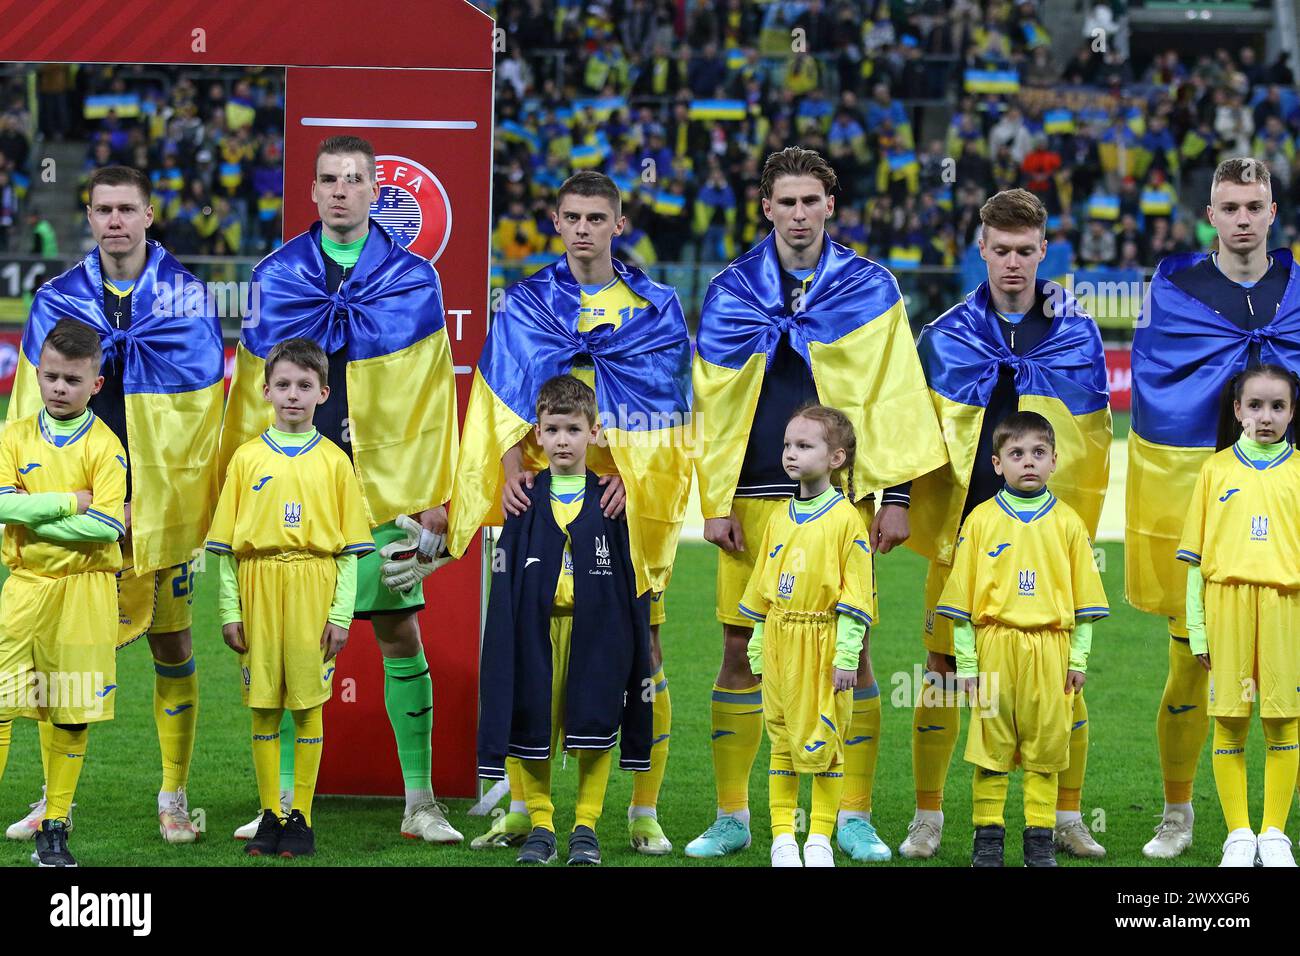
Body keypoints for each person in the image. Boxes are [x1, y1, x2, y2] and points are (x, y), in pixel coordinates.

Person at [689, 145, 946, 861]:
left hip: (843, 504)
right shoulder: (731, 288)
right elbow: (708, 402)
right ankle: (734, 815)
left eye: (811, 201)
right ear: (765, 207)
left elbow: (897, 400)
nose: (799, 215)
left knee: (851, 655)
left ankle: (853, 816)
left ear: (830, 206)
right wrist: (714, 501)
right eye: (786, 202)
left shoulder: (869, 285)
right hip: (751, 501)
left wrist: (895, 496)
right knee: (741, 650)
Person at [221, 135, 462, 844]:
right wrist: (242, 489)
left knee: (397, 630)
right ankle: (282, 802)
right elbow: (248, 389)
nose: (340, 191)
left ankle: (419, 801)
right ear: (314, 189)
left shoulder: (414, 277)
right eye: (329, 178)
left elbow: (431, 398)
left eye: (354, 180)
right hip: (294, 484)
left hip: (380, 489)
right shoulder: (277, 273)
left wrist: (434, 495)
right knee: (291, 646)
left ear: (374, 190)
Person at [450, 170, 690, 856]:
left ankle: (642, 810)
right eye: (572, 217)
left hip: (622, 505)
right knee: (529, 647)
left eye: (596, 218)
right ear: (557, 222)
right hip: (542, 499)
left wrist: (636, 485)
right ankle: (530, 812)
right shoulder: (527, 302)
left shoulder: (655, 307)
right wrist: (505, 471)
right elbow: (500, 397)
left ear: (619, 225)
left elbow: (672, 416)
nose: (583, 229)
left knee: (642, 653)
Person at [6, 165, 224, 846]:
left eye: (128, 209)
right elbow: (26, 413)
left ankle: (174, 793)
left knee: (173, 644)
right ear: (91, 215)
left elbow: (201, 416)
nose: (115, 222)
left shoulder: (188, 297)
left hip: (157, 512)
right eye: (103, 209)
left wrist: (163, 503)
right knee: (57, 658)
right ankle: (53, 799)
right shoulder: (56, 296)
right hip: (80, 511)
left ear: (150, 213)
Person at [904, 188, 1112, 860]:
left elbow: (1091, 438)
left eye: (1026, 251)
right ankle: (928, 815)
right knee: (940, 667)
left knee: (1062, 676)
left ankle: (1067, 815)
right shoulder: (948, 334)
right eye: (1001, 250)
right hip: (966, 536)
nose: (1014, 263)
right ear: (981, 250)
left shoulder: (1077, 332)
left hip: (1049, 535)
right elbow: (916, 434)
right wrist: (901, 503)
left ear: (1044, 251)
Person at [1128, 157, 1300, 859]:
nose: (1242, 220)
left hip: (1285, 513)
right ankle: (1178, 813)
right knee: (1189, 666)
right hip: (1205, 502)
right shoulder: (1177, 288)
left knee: (1286, 682)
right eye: (1229, 207)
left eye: (1254, 207)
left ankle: (1272, 828)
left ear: (1271, 214)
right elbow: (1157, 384)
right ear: (1210, 212)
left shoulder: (1297, 286)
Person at [207, 338, 374, 859]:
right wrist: (231, 609)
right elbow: (228, 548)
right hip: (257, 584)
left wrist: (341, 615)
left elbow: (348, 552)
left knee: (306, 708)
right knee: (262, 708)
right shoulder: (246, 458)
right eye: (283, 385)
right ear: (265, 390)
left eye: (305, 386)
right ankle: (268, 815)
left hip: (313, 585)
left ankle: (301, 815)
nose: (293, 395)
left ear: (324, 393)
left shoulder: (336, 462)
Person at [477, 375, 652, 866]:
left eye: (573, 430)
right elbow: (505, 571)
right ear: (536, 432)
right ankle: (541, 824)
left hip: (596, 631)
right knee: (532, 724)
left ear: (595, 433)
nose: (561, 440)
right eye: (552, 429)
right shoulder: (522, 495)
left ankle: (585, 825)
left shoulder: (613, 497)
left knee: (594, 724)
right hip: (537, 630)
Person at [936, 411, 1109, 867]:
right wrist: (968, 666)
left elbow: (1086, 606)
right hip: (994, 647)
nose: (1027, 462)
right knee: (990, 749)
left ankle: (1039, 839)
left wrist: (1079, 660)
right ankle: (987, 839)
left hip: (1051, 650)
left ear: (1054, 461)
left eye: (1038, 453)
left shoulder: (1070, 524)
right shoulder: (980, 520)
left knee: (1047, 750)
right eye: (1016, 454)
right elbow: (961, 608)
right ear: (997, 463)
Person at [0, 319, 128, 866]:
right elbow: (2, 505)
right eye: (50, 376)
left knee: (70, 712)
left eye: (72, 380)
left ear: (94, 384)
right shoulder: (13, 436)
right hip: (25, 588)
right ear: (36, 374)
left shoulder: (107, 446)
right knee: (1, 704)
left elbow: (108, 528)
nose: (58, 387)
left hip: (83, 592)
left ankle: (56, 825)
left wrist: (35, 513)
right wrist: (72, 503)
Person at [739, 405, 875, 867]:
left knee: (826, 741)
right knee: (780, 739)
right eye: (787, 445)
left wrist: (847, 657)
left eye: (804, 445)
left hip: (824, 643)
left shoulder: (846, 521)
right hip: (780, 642)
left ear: (836, 458)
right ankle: (783, 837)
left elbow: (856, 599)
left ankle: (818, 837)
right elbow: (762, 589)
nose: (790, 453)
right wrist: (759, 646)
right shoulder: (779, 516)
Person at [1177, 364, 1300, 867]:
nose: (1265, 416)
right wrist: (1197, 629)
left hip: (1285, 608)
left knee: (1283, 722)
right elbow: (1194, 562)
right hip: (1225, 605)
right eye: (1255, 406)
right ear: (1237, 411)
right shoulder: (1215, 471)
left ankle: (1274, 835)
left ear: (1292, 413)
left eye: (1277, 406)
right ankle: (1238, 834)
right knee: (1229, 719)